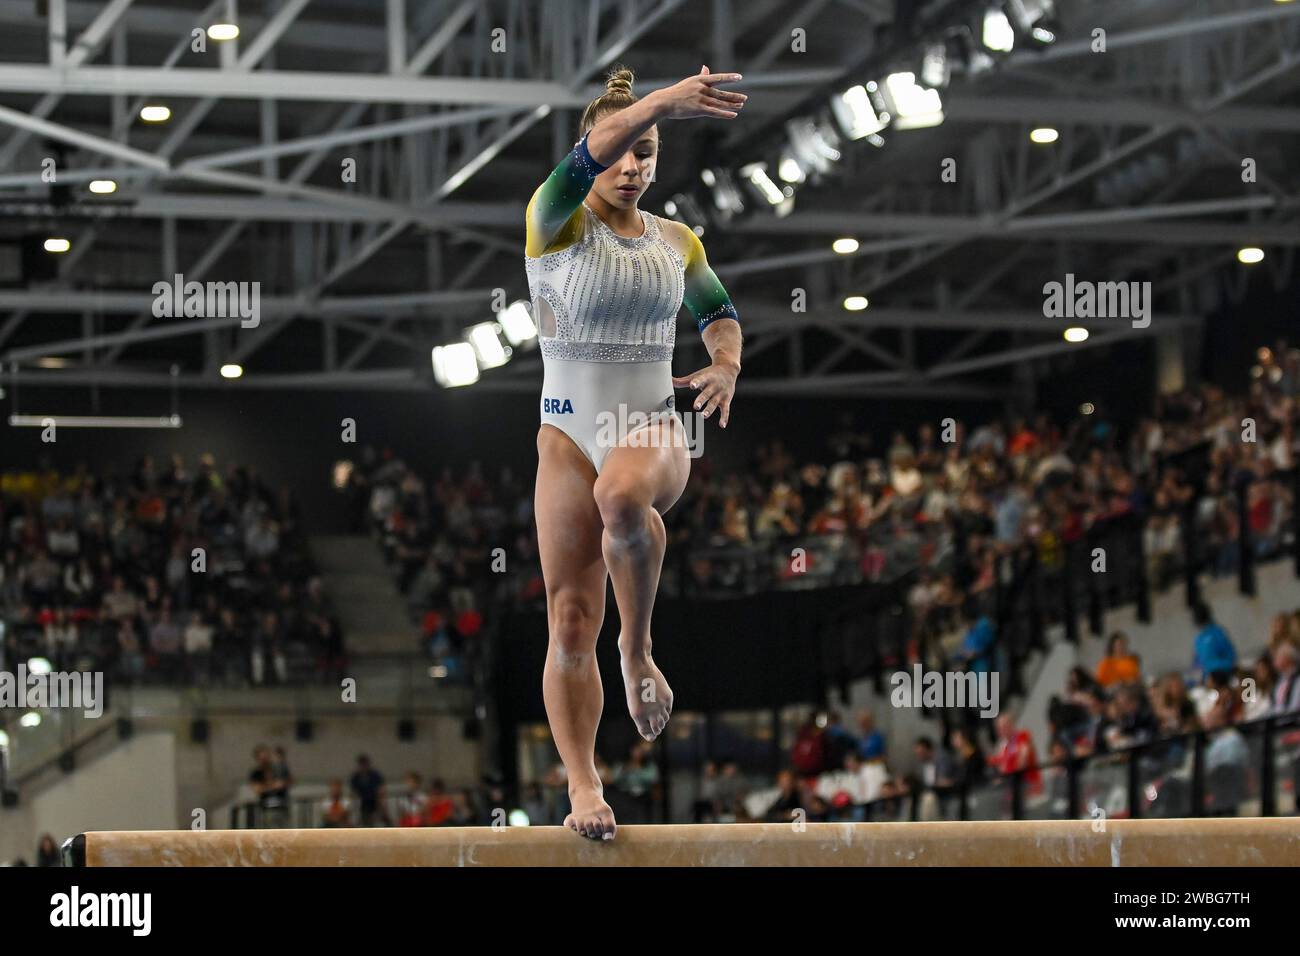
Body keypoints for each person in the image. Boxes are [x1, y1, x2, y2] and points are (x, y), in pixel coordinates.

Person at [527, 65, 747, 841]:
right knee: (567, 621)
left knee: (622, 499)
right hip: (566, 437)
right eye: (623, 151)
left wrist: (724, 363)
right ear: (595, 152)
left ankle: (639, 649)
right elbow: (589, 155)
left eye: (649, 153)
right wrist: (657, 102)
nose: (634, 167)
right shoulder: (551, 219)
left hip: (651, 427)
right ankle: (584, 785)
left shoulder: (678, 241)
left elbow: (720, 314)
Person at [1192, 601, 1236, 683]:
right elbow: (1198, 663)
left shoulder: (1217, 632)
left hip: (1223, 676)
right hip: (1208, 679)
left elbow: (1230, 655)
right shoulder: (1198, 639)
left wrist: (1223, 672)